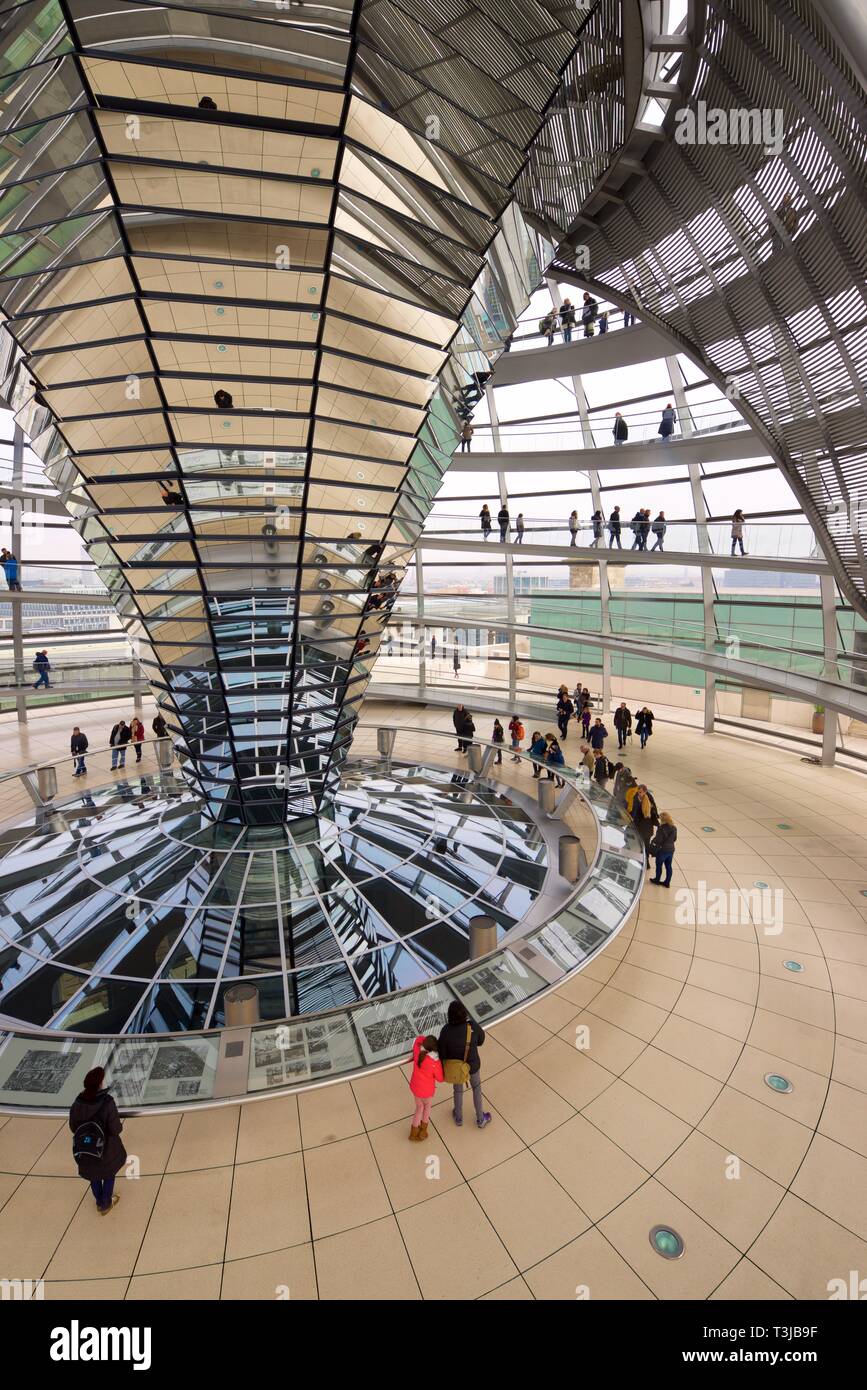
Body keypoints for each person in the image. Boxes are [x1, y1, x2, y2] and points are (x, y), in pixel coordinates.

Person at [69, 1066, 127, 1214]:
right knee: (108, 1174)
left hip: (86, 1148)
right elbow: (116, 1129)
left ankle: (98, 1200)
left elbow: (73, 1127)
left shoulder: (77, 1102)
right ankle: (105, 1203)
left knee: (93, 1176)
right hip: (106, 1149)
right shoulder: (107, 1102)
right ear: (100, 1083)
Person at [438, 1000, 491, 1128]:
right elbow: (481, 1040)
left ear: (450, 1015)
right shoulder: (471, 1026)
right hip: (473, 1066)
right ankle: (480, 1119)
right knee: (477, 1089)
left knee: (457, 1090)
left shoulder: (446, 1030)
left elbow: (442, 1053)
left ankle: (458, 1117)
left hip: (456, 1068)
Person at [408, 1035, 443, 1142]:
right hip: (427, 1091)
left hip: (415, 1088)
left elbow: (418, 1038)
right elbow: (440, 1078)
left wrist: (426, 1041)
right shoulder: (434, 1062)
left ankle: (413, 1133)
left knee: (419, 1108)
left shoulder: (417, 1051)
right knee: (427, 1107)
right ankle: (423, 1130)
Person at [631, 783, 659, 867]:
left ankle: (646, 862)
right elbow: (634, 810)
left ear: (645, 792)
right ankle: (644, 861)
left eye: (640, 792)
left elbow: (652, 813)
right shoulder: (636, 797)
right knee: (643, 845)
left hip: (645, 829)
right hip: (643, 827)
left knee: (644, 845)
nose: (638, 793)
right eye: (638, 792)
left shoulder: (647, 801)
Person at [650, 812, 677, 887]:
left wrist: (653, 842)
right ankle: (667, 882)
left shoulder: (661, 828)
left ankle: (657, 880)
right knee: (668, 866)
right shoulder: (674, 828)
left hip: (662, 851)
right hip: (671, 850)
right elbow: (674, 839)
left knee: (659, 865)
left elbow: (658, 840)